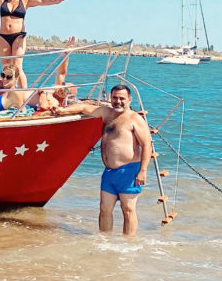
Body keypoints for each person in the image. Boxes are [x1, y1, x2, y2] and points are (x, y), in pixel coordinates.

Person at [53, 83, 153, 235]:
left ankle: (129, 244)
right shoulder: (107, 113)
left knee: (128, 209)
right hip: (109, 172)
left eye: (122, 98)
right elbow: (83, 107)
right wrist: (62, 110)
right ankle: (105, 241)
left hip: (129, 171)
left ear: (129, 100)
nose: (118, 101)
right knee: (104, 209)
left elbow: (147, 145)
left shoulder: (135, 119)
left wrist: (143, 171)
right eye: (115, 98)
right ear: (110, 98)